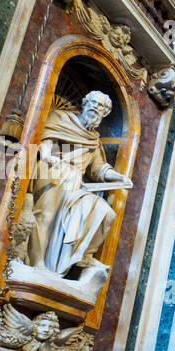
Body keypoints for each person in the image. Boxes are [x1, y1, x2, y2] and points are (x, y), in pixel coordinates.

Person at [25, 91, 132, 278]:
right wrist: (51, 158)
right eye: (92, 103)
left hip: (76, 184)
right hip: (53, 171)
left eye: (100, 107)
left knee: (106, 213)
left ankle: (84, 255)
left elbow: (98, 168)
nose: (94, 108)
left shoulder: (94, 140)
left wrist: (119, 177)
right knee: (46, 216)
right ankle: (37, 263)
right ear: (84, 103)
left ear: (104, 114)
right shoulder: (61, 118)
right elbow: (45, 141)